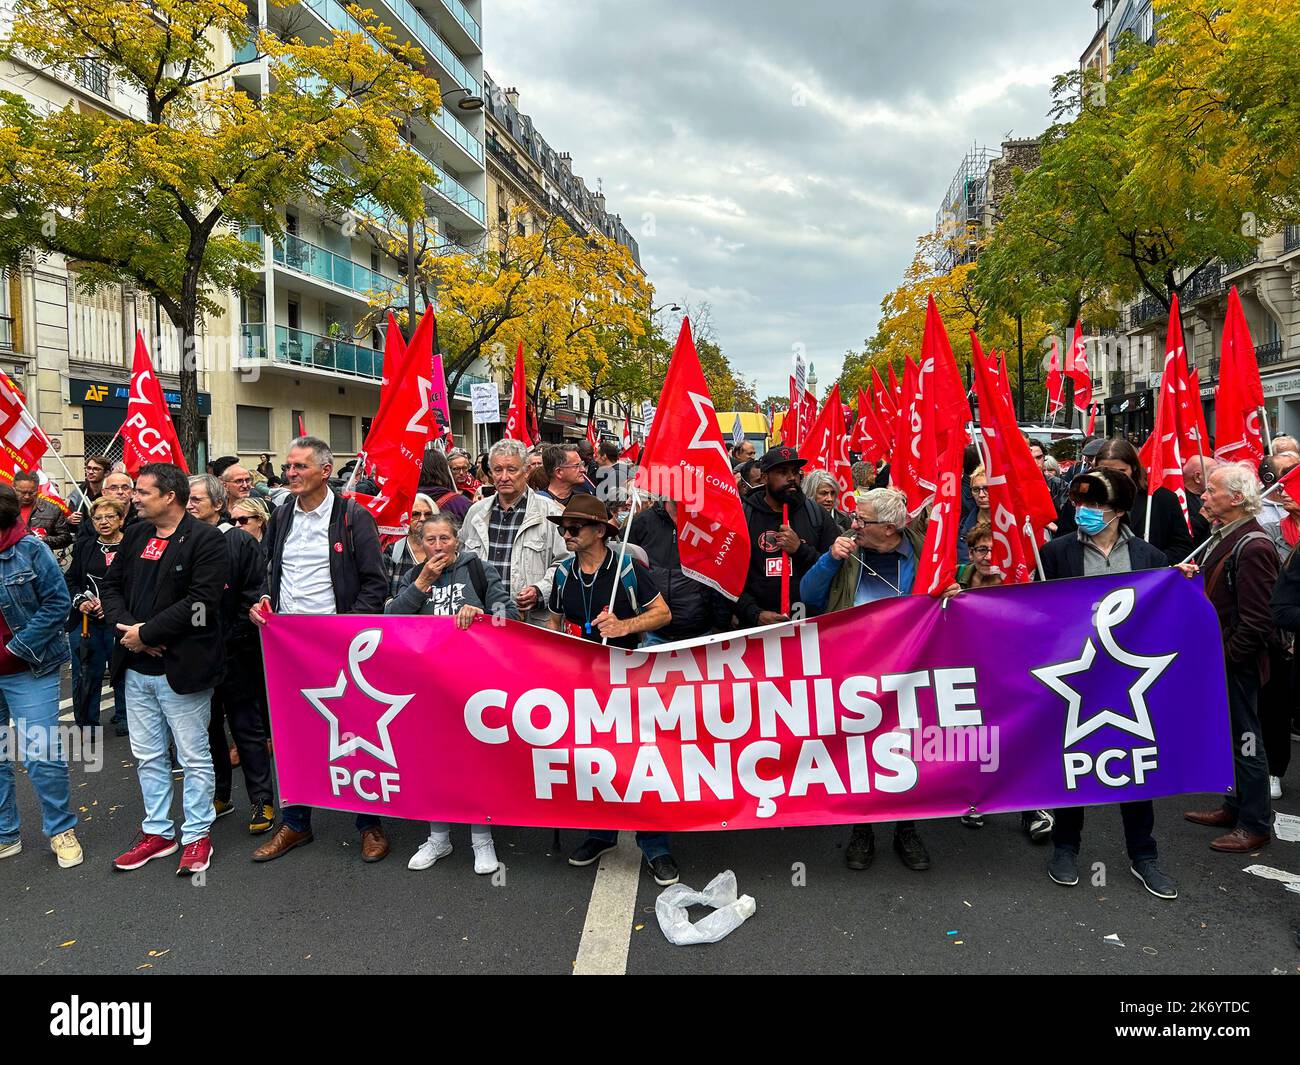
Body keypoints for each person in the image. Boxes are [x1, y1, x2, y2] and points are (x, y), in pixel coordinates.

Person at [249, 436, 390, 863]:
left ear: (325, 471)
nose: (290, 473)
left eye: (299, 467)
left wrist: (343, 633)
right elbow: (265, 572)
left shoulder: (352, 517)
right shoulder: (279, 516)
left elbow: (375, 584)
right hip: (288, 648)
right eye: (288, 466)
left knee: (355, 733)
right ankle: (295, 824)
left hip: (339, 648)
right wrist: (262, 602)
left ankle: (370, 824)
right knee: (294, 735)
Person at [1037, 468, 1177, 898]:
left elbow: (1164, 614)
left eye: (1095, 506)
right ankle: (1065, 846)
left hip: (1131, 678)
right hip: (1074, 675)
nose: (1085, 512)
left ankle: (1144, 855)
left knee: (1133, 764)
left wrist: (1182, 583)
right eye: (1080, 504)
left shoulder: (1150, 557)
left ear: (1118, 511)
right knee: (1072, 763)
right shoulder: (1055, 553)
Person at [543, 495, 677, 885]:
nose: (566, 534)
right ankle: (600, 835)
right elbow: (554, 620)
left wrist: (623, 626)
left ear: (600, 531)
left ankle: (656, 845)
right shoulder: (563, 573)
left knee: (639, 763)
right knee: (593, 763)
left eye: (574, 528)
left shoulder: (628, 569)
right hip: (580, 682)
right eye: (563, 528)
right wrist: (554, 657)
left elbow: (663, 613)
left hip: (627, 679)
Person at [102, 463, 227, 876]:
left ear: (169, 496)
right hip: (135, 668)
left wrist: (151, 633)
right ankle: (157, 832)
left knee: (193, 757)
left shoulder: (206, 539)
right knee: (148, 756)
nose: (132, 498)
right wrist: (130, 632)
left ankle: (196, 836)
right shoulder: (136, 534)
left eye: (141, 492)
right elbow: (111, 586)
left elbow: (202, 605)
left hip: (182, 669)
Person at [799, 487, 933, 872]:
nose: (853, 523)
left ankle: (907, 828)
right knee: (861, 748)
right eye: (855, 517)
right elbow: (810, 596)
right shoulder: (847, 551)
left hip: (910, 667)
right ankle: (863, 828)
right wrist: (829, 560)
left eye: (862, 519)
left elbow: (946, 595)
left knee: (908, 749)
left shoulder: (924, 551)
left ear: (890, 528)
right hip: (854, 666)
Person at [386, 513, 519, 875]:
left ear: (456, 541)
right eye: (431, 540)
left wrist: (482, 613)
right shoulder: (417, 575)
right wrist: (422, 583)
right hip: (428, 688)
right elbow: (391, 618)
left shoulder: (477, 567)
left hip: (472, 685)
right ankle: (438, 838)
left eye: (445, 538)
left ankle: (482, 840)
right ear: (421, 544)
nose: (439, 546)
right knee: (432, 765)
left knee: (474, 763)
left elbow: (509, 612)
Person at [1181, 463, 1279, 853]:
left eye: (1211, 491)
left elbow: (1258, 621)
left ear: (1236, 498)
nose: (1203, 496)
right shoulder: (1228, 535)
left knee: (1247, 741)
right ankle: (1235, 806)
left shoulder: (1253, 545)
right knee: (1233, 738)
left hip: (1236, 665)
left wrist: (1228, 660)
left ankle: (1255, 824)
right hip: (1222, 659)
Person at [186, 475, 275, 836]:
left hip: (237, 653)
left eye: (196, 500)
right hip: (197, 654)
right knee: (208, 729)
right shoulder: (185, 542)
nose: (189, 505)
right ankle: (221, 793)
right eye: (187, 500)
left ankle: (262, 799)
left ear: (218, 504)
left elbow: (253, 595)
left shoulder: (238, 541)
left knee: (246, 728)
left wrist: (229, 635)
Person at [0, 483, 81, 869]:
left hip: (29, 668)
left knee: (42, 753)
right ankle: (5, 832)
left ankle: (61, 829)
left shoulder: (31, 549)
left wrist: (15, 648)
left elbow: (58, 604)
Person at [461, 439, 569, 628]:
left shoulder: (551, 513)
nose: (504, 477)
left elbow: (567, 563)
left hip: (530, 623)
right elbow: (461, 561)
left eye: (511, 470)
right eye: (497, 470)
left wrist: (540, 590)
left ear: (526, 471)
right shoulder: (475, 513)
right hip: (481, 620)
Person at [735, 446, 838, 628]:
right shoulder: (744, 515)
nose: (791, 478)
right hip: (757, 629)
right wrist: (753, 613)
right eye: (782, 472)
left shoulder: (816, 515)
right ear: (765, 477)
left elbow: (835, 569)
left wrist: (800, 550)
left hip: (809, 627)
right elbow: (729, 576)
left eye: (795, 472)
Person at [1056, 438, 1191, 564]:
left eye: (1121, 471)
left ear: (1134, 468)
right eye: (1106, 471)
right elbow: (1064, 540)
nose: (1113, 477)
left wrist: (1151, 563)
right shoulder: (1081, 500)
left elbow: (1182, 546)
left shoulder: (1161, 498)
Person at [65, 496, 128, 734]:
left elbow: (137, 584)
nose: (103, 522)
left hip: (121, 620)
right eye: (97, 518)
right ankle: (87, 722)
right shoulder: (85, 546)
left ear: (121, 519)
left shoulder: (132, 546)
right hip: (87, 621)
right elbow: (70, 579)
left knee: (122, 670)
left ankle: (124, 718)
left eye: (110, 516)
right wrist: (80, 601)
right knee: (87, 671)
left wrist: (112, 606)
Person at [628, 496, 728, 643]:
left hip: (701, 632)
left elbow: (720, 574)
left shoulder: (709, 522)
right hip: (655, 634)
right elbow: (626, 568)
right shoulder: (643, 522)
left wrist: (721, 622)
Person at [382, 493, 435, 600]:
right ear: (406, 518)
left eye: (428, 514)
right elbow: (383, 593)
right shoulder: (392, 551)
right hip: (402, 614)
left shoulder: (443, 550)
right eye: (416, 514)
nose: (423, 518)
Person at [12, 470, 70, 551]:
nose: (27, 496)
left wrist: (43, 539)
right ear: (14, 489)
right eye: (23, 492)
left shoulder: (52, 509)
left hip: (40, 559)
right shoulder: (4, 507)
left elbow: (66, 538)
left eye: (32, 492)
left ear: (37, 488)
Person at [76, 471, 137, 541]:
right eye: (113, 488)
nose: (120, 492)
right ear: (104, 492)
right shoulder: (93, 520)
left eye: (125, 488)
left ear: (132, 491)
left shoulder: (142, 516)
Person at [1182, 455, 1222, 550]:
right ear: (1197, 477)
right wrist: (1201, 519)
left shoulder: (1212, 496)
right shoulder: (1179, 501)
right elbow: (1179, 537)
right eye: (1213, 473)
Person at [418, 449, 470, 520]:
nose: (461, 473)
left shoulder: (404, 501)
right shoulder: (461, 504)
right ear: (445, 470)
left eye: (464, 468)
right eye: (456, 469)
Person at [955, 520, 1003, 590]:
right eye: (982, 550)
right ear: (971, 553)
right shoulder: (954, 575)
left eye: (996, 551)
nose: (989, 558)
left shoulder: (1017, 582)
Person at [66, 454, 108, 533]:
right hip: (83, 539)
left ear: (106, 473)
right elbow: (68, 524)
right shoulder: (78, 493)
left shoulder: (111, 492)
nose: (90, 472)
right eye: (88, 468)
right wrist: (69, 520)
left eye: (96, 469)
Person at [958, 465, 991, 563]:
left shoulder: (1011, 523)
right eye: (976, 490)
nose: (981, 495)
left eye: (987, 489)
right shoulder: (962, 528)